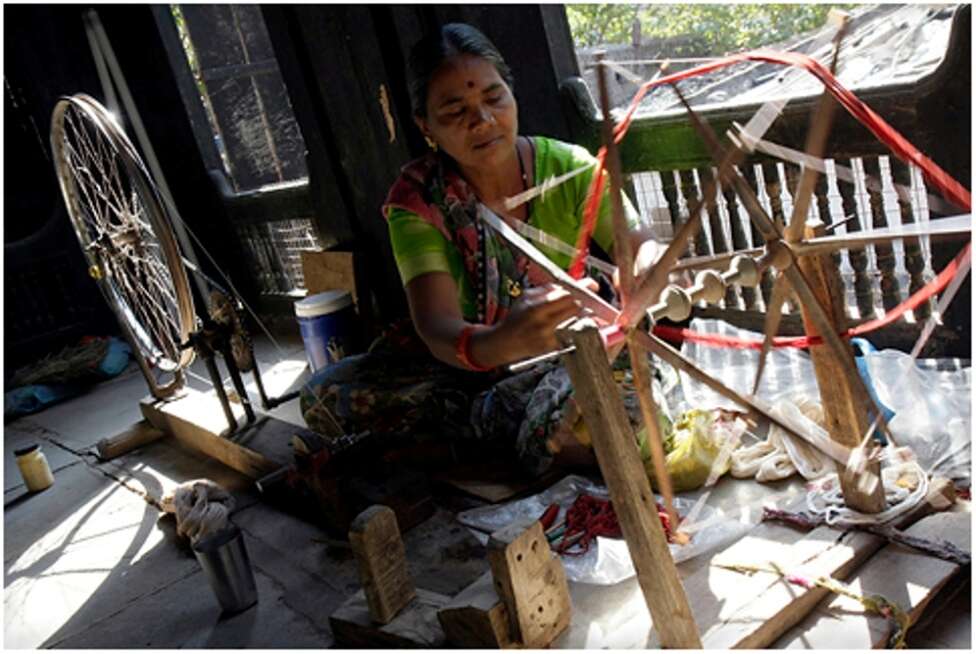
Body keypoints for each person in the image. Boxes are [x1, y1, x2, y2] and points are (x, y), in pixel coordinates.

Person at [301, 22, 662, 476]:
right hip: (465, 367)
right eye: (455, 112)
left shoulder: (570, 167)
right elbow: (436, 328)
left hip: (569, 357)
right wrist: (500, 342)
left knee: (634, 426)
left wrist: (647, 264)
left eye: (494, 99)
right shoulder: (419, 200)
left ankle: (484, 443)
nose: (483, 120)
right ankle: (514, 436)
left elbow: (638, 242)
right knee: (325, 396)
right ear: (424, 126)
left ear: (512, 94)